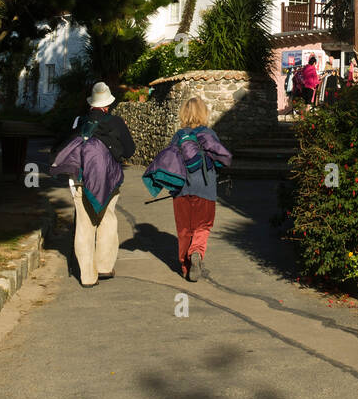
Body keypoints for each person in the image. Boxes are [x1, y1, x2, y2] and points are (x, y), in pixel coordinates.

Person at [50, 81, 135, 288]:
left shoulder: (79, 121)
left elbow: (61, 144)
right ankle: (105, 266)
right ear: (108, 104)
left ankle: (88, 276)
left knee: (84, 225)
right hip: (109, 180)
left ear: (92, 103)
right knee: (107, 219)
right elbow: (129, 150)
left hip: (79, 178)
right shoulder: (115, 122)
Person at [142, 96, 232, 281]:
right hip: (206, 189)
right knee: (203, 225)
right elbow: (221, 159)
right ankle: (197, 252)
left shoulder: (178, 136)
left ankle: (185, 267)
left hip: (181, 190)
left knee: (184, 229)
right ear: (204, 112)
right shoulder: (208, 134)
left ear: (184, 113)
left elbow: (169, 162)